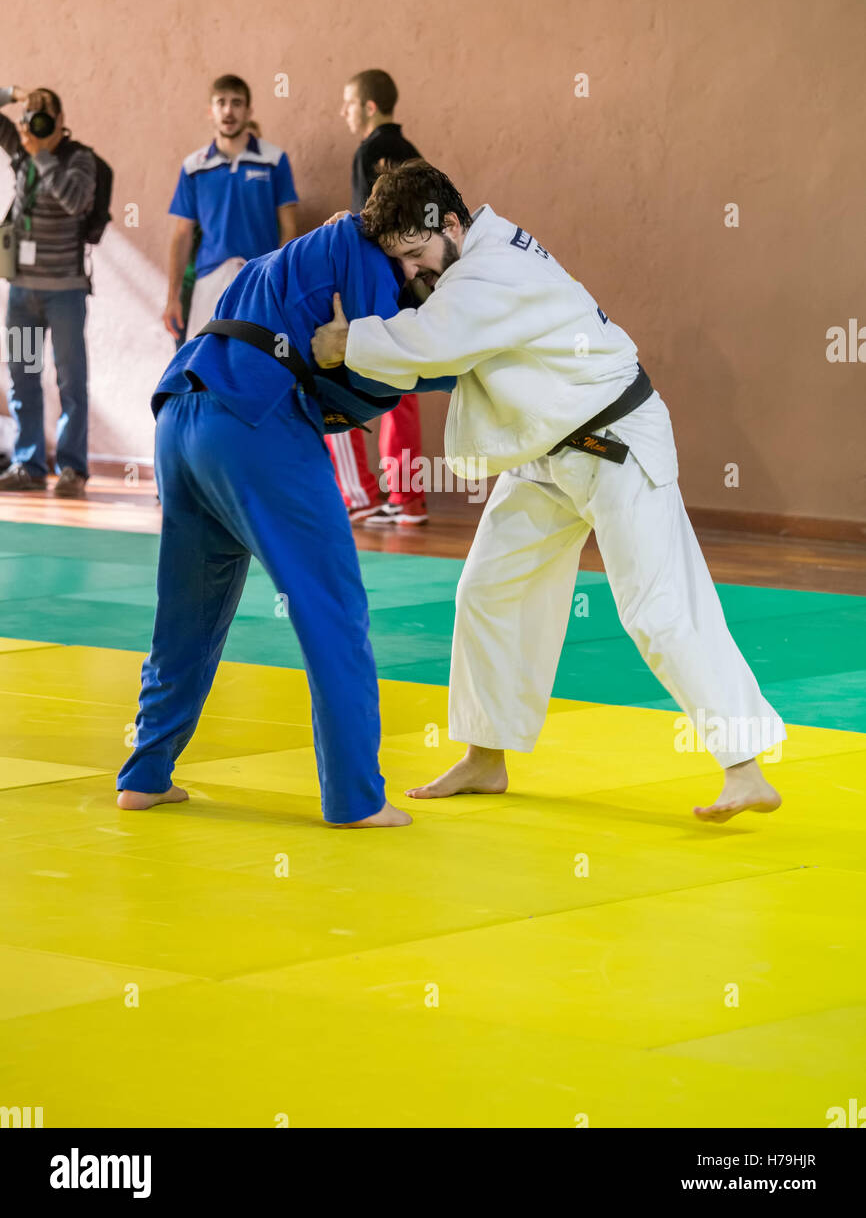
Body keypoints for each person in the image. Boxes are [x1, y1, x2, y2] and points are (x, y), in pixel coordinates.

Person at [311, 160, 786, 825]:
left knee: (657, 608)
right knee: (488, 589)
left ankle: (745, 769)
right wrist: (354, 233)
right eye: (403, 262)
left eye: (416, 254)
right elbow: (434, 313)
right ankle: (486, 756)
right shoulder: (469, 258)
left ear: (451, 224)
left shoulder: (492, 270)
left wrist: (347, 342)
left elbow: (433, 345)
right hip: (549, 447)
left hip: (615, 440)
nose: (414, 273)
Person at [116, 212, 453, 828]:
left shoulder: (286, 258)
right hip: (254, 425)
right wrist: (464, 361)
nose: (416, 268)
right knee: (331, 606)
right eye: (417, 254)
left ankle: (145, 773)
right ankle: (356, 797)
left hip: (180, 416)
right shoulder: (360, 250)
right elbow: (387, 364)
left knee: (187, 614)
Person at [330, 69, 428, 526]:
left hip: (375, 284)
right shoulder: (411, 154)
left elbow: (368, 223)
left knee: (347, 380)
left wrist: (346, 222)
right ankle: (407, 499)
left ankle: (361, 495)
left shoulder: (368, 151)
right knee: (403, 387)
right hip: (410, 285)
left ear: (369, 107)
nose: (344, 111)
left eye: (349, 103)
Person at [0, 84, 96, 498]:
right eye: (32, 115)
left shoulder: (81, 159)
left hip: (65, 295)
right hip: (23, 295)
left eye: (45, 115)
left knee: (71, 380)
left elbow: (75, 202)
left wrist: (41, 153)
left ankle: (73, 468)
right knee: (23, 377)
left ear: (60, 121)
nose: (37, 122)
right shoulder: (20, 150)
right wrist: (15, 94)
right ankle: (29, 463)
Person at [162, 76, 299, 342]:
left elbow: (290, 229)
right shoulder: (193, 166)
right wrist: (173, 298)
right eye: (221, 103)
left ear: (248, 111)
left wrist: (281, 284)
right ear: (210, 112)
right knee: (205, 373)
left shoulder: (275, 160)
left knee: (258, 369)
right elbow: (182, 235)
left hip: (260, 282)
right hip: (209, 283)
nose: (228, 110)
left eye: (237, 103)